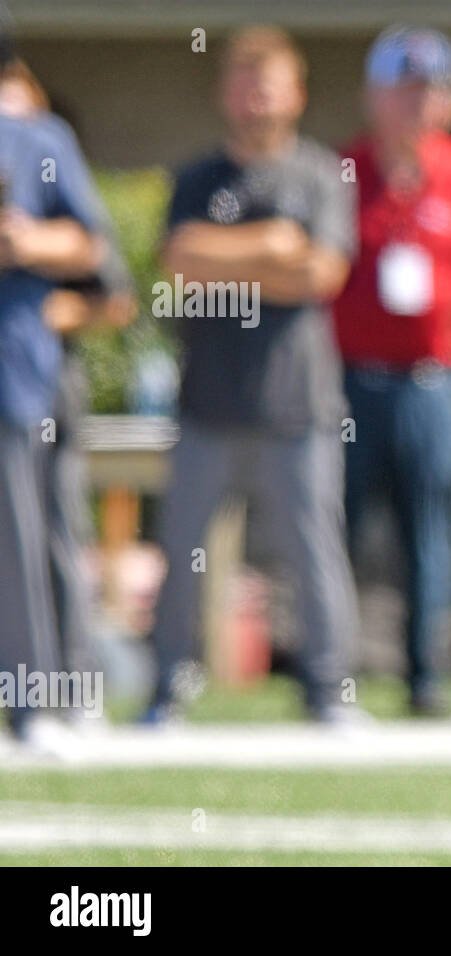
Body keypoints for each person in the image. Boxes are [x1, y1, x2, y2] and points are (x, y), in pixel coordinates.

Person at [142, 26, 361, 724]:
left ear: (295, 93)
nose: (255, 96)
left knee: (315, 554)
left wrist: (223, 261)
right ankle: (166, 689)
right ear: (224, 92)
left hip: (299, 408)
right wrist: (270, 245)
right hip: (205, 405)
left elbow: (322, 274)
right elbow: (177, 263)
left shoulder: (320, 175)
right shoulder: (196, 177)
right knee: (181, 556)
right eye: (243, 81)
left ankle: (329, 692)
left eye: (268, 82)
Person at [333, 27, 451, 716]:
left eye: (430, 89)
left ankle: (426, 678)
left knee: (431, 532)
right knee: (338, 528)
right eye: (403, 88)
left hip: (432, 380)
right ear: (374, 96)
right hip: (349, 379)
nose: (416, 103)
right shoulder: (341, 170)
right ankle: (332, 678)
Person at [0, 34, 109, 743]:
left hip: (18, 373)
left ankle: (38, 702)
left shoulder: (38, 138)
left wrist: (27, 242)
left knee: (28, 540)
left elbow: (94, 248)